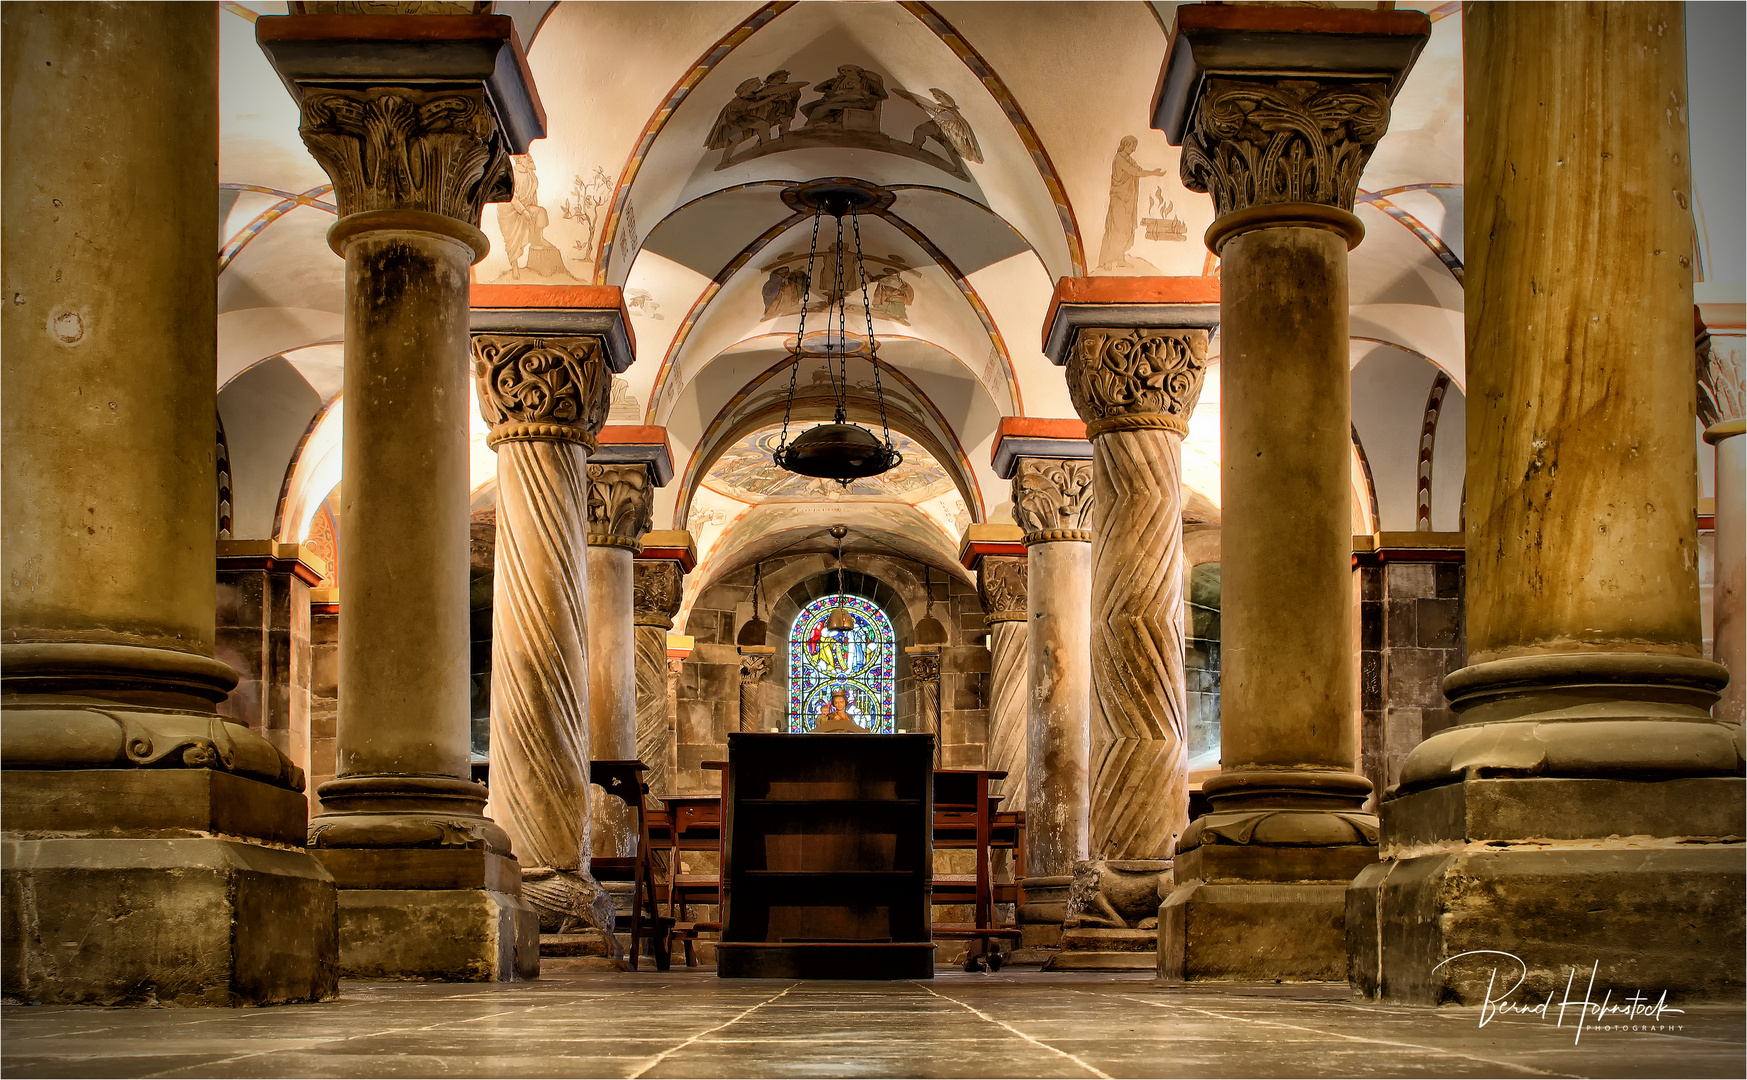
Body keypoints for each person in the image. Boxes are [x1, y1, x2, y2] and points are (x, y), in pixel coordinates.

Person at [1097, 135, 1165, 270]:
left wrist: (1151, 172)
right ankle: (1108, 261)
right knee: (1117, 229)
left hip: (1129, 201)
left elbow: (1138, 170)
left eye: (1135, 145)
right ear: (1125, 144)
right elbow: (1134, 172)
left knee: (1128, 229)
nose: (1134, 148)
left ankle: (1120, 258)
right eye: (1132, 145)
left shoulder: (1130, 160)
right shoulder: (1119, 159)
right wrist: (1152, 173)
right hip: (1119, 200)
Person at [801, 65, 888, 129]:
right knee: (806, 108)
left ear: (857, 72)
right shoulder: (837, 81)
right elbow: (818, 88)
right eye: (843, 70)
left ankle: (809, 126)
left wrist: (864, 95)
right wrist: (832, 92)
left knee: (821, 109)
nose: (845, 73)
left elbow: (883, 95)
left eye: (849, 71)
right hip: (835, 100)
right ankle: (826, 121)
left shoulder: (868, 83)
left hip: (859, 102)